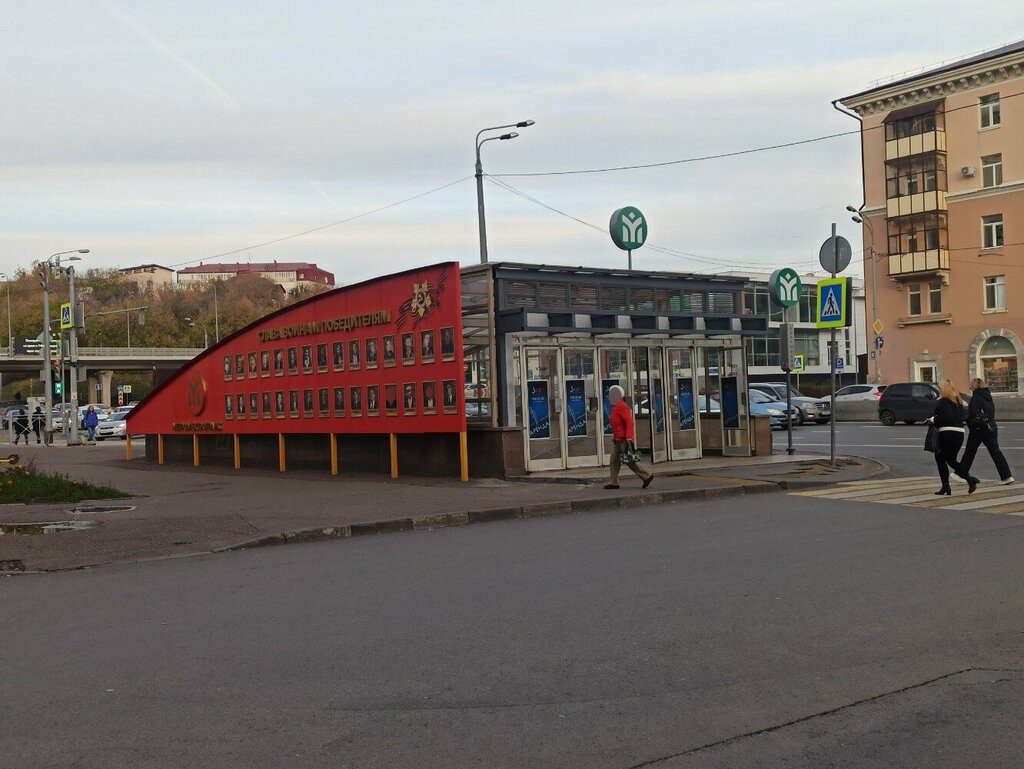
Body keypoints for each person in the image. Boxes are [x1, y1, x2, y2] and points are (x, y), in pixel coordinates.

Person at [928, 379, 979, 496]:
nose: (939, 390)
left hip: (947, 434)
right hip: (959, 433)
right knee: (951, 460)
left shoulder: (944, 401)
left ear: (943, 389)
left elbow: (946, 417)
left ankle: (948, 485)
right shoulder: (958, 401)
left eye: (940, 388)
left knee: (940, 459)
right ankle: (968, 480)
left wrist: (933, 419)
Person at [960, 378, 1014, 485]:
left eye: (971, 385)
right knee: (996, 452)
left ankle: (960, 474)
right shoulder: (988, 397)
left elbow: (973, 414)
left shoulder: (976, 398)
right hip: (991, 427)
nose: (970, 387)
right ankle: (1007, 476)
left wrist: (966, 420)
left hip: (979, 429)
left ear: (974, 386)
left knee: (970, 451)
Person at [605, 385, 654, 490]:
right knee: (614, 460)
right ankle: (614, 482)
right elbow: (617, 424)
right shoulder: (615, 407)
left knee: (629, 460)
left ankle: (647, 476)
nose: (610, 397)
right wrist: (615, 436)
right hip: (618, 439)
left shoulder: (622, 407)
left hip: (623, 439)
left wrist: (629, 437)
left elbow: (629, 422)